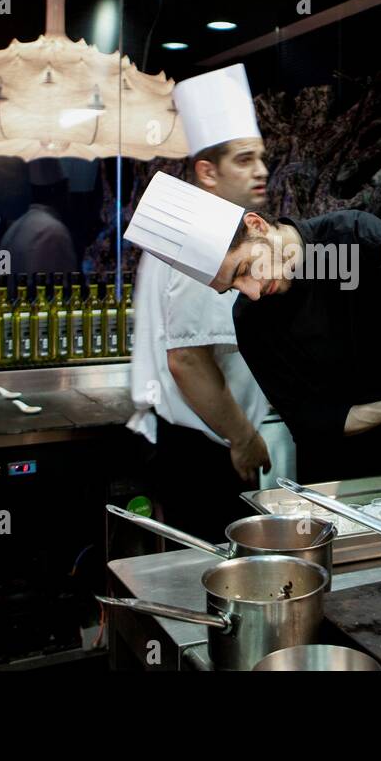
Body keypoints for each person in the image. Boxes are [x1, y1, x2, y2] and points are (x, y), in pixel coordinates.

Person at [126, 173, 381, 490]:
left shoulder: (350, 237)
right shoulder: (251, 319)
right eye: (231, 288)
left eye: (244, 270)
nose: (251, 292)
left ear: (257, 225)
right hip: (333, 485)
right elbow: (313, 423)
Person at [127, 66, 272, 542]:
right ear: (207, 171)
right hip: (208, 445)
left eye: (261, 158)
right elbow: (187, 359)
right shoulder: (205, 235)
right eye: (244, 160)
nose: (261, 170)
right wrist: (243, 438)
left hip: (190, 438)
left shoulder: (183, 223)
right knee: (217, 570)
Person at [0, 155, 78, 276]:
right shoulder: (53, 231)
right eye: (66, 189)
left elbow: (1, 277)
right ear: (56, 191)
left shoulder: (12, 229)